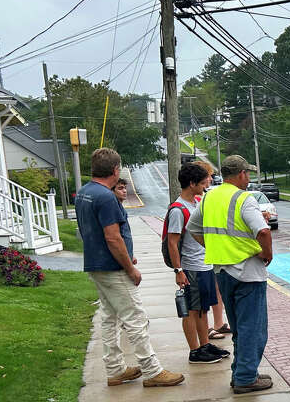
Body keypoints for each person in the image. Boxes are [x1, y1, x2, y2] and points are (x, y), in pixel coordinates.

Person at [76, 148, 183, 388]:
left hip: (96, 263)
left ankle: (115, 369)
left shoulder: (84, 193)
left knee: (110, 318)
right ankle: (152, 370)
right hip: (113, 267)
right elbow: (113, 237)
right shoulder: (106, 197)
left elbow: (92, 232)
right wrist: (129, 267)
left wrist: (126, 255)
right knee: (136, 318)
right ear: (116, 170)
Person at [187, 155, 273, 394]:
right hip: (248, 271)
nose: (249, 178)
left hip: (222, 271)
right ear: (241, 174)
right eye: (248, 174)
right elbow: (263, 232)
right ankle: (246, 377)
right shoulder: (243, 198)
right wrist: (267, 254)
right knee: (253, 328)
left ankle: (241, 372)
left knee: (238, 327)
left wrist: (215, 247)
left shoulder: (209, 197)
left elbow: (192, 228)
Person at [167, 162, 230, 365]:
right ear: (192, 183)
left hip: (204, 265)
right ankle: (194, 351)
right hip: (191, 268)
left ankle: (204, 345)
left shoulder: (195, 203)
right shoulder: (178, 210)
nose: (207, 184)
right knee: (191, 311)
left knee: (203, 309)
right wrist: (178, 270)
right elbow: (172, 242)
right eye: (203, 182)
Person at [191, 159, 229, 342]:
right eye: (208, 177)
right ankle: (207, 329)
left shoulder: (204, 196)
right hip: (199, 256)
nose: (211, 180)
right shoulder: (199, 199)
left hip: (209, 254)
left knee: (216, 290)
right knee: (203, 297)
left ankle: (219, 322)